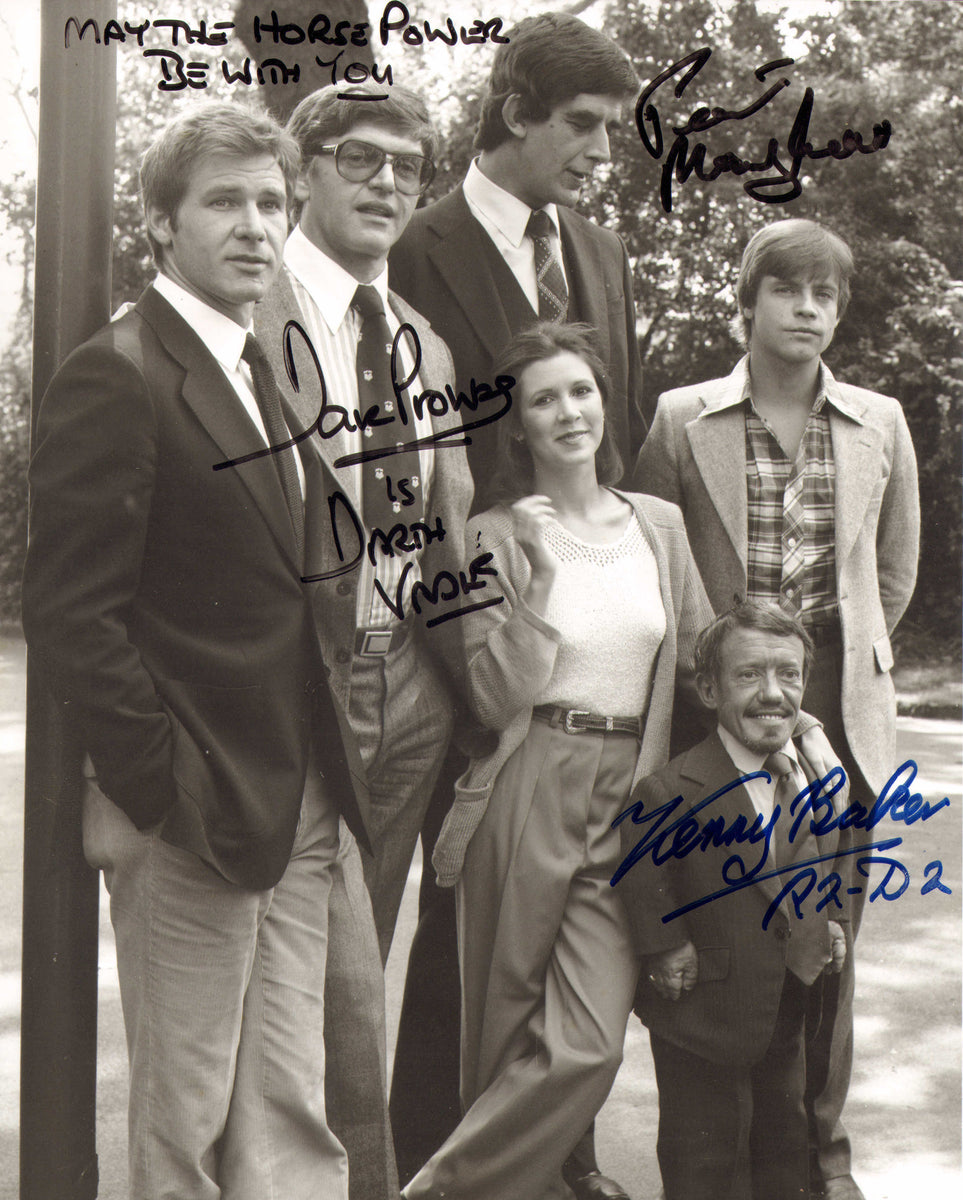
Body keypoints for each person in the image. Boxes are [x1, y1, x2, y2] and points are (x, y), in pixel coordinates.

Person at [21, 103, 377, 1200]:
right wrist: (160, 785)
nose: (256, 226)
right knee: (187, 1120)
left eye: (272, 202)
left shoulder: (258, 367)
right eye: (224, 201)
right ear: (161, 222)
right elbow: (74, 611)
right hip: (193, 809)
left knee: (288, 1108)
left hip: (298, 794)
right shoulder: (120, 370)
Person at [388, 15, 647, 1190]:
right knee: (461, 957)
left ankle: (560, 1164)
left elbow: (618, 447)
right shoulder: (410, 248)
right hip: (449, 655)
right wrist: (470, 651)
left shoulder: (602, 253)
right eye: (583, 126)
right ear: (512, 111)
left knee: (574, 951)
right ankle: (432, 1167)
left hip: (586, 656)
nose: (602, 151)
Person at [632, 218, 920, 1200]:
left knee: (825, 936)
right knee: (725, 929)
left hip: (832, 704)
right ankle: (720, 1159)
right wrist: (723, 682)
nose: (808, 309)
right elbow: (654, 557)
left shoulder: (880, 420)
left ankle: (817, 1157)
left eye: (826, 295)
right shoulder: (682, 417)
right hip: (717, 710)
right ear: (746, 304)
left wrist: (828, 678)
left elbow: (892, 571)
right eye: (787, 290)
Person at [399, 321, 713, 1200]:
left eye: (579, 390)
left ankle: (436, 1189)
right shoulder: (488, 536)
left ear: (603, 402)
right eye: (543, 399)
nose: (567, 411)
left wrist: (785, 724)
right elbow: (494, 696)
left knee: (589, 1039)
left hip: (630, 790)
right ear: (519, 425)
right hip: (529, 776)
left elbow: (694, 666)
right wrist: (534, 581)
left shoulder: (660, 525)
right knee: (499, 1030)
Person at [253, 82, 473, 1200]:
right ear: (305, 171)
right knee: (318, 993)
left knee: (363, 978)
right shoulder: (249, 303)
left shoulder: (422, 339)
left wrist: (479, 689)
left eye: (408, 165)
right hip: (304, 691)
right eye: (360, 158)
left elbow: (452, 524)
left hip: (414, 692)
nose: (389, 182)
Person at [615, 601, 850, 1200]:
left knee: (783, 1139)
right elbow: (643, 873)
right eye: (749, 675)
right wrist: (664, 946)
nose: (773, 693)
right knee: (704, 1153)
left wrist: (833, 922)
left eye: (788, 675)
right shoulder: (673, 786)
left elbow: (826, 860)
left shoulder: (811, 780)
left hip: (788, 998)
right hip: (703, 1011)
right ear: (709, 688)